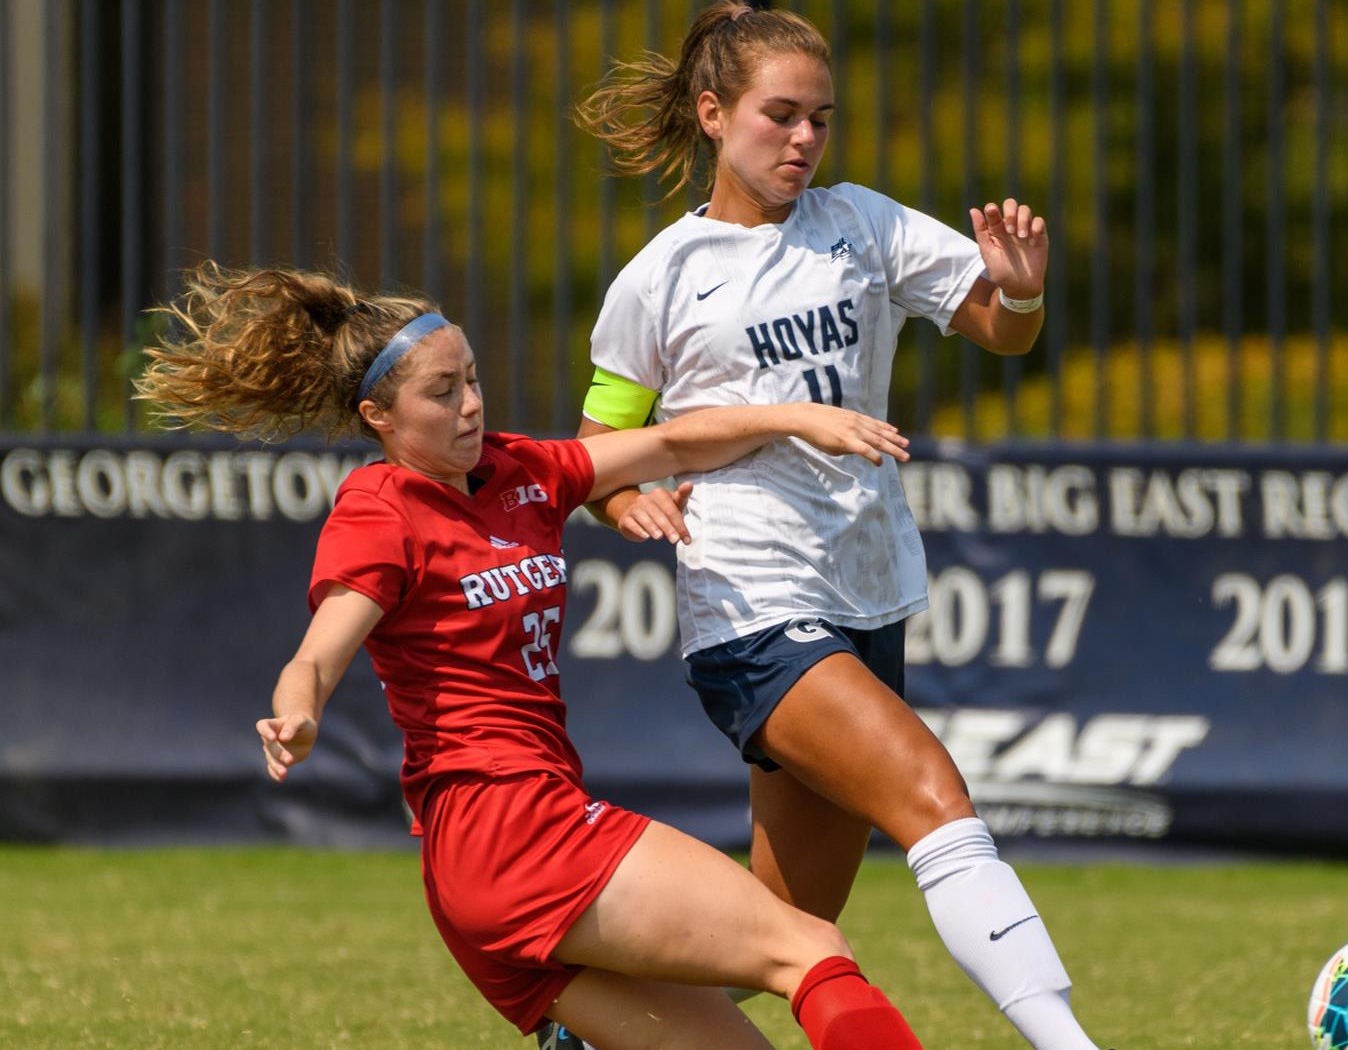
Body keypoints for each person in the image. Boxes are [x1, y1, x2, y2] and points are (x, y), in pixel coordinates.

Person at [131, 262, 932, 1050]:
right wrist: (297, 713)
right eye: (441, 393)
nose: (470, 404)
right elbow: (317, 652)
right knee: (813, 949)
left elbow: (669, 441)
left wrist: (792, 416)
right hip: (509, 825)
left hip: (488, 862)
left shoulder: (519, 471)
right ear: (378, 414)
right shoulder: (380, 510)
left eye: (472, 378)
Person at [570, 0, 1110, 1050]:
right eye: (782, 115)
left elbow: (998, 331)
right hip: (748, 601)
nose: (805, 139)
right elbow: (596, 449)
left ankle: (589, 1035)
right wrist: (626, 497)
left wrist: (1024, 297)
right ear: (714, 112)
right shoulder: (660, 277)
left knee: (784, 926)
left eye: (821, 117)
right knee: (933, 793)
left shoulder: (861, 222)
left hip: (865, 590)